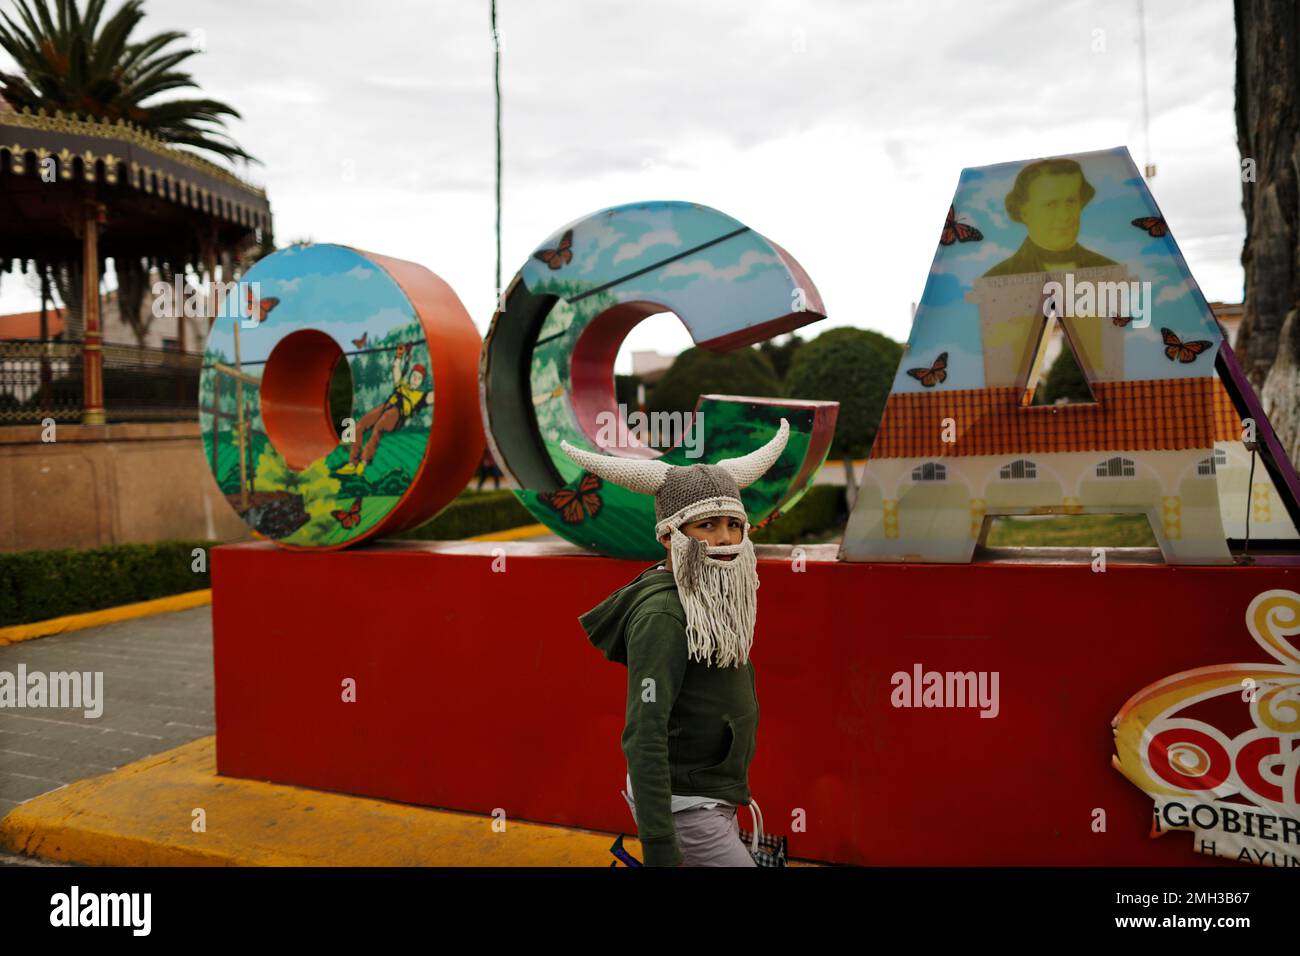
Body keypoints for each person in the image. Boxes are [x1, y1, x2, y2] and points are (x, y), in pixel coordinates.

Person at [562, 418, 789, 867]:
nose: (724, 539)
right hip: (685, 805)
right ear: (668, 535)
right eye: (706, 525)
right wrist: (661, 849)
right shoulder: (665, 616)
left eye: (733, 524)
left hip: (709, 791)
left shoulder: (701, 587)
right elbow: (644, 736)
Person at [983, 158, 1117, 277]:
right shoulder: (996, 278)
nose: (1065, 216)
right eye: (1051, 204)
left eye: (1071, 202)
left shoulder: (1112, 271)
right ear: (1024, 213)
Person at [335, 344, 430, 477]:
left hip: (397, 414)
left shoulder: (421, 397)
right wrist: (398, 356)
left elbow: (435, 396)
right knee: (360, 425)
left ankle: (363, 462)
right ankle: (352, 463)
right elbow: (396, 371)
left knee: (378, 428)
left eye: (418, 378)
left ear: (421, 382)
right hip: (386, 406)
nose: (415, 379)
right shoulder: (402, 385)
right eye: (414, 376)